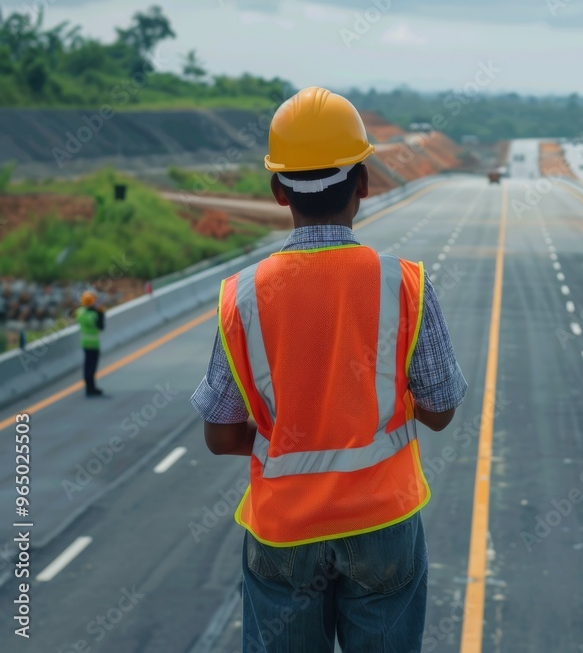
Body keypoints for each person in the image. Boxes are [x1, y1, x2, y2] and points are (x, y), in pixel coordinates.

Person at [190, 86, 467, 652]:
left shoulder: (241, 297)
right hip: (383, 526)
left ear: (276, 191)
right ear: (363, 184)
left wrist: (292, 433)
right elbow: (440, 412)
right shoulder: (405, 284)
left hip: (284, 533)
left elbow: (220, 435)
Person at [76, 290, 105, 397]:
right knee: (92, 367)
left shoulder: (80, 312)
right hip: (93, 343)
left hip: (84, 342)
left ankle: (89, 387)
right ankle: (91, 388)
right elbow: (101, 326)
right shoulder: (94, 314)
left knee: (87, 365)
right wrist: (101, 313)